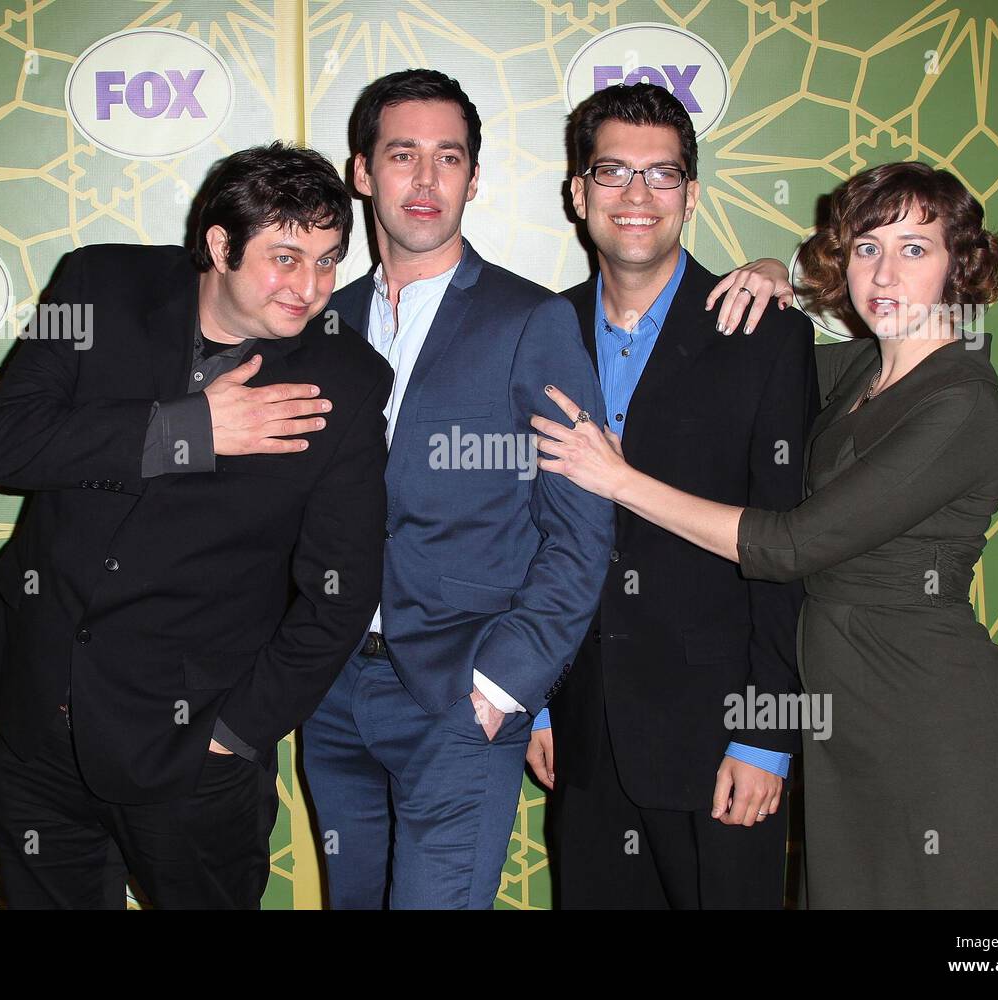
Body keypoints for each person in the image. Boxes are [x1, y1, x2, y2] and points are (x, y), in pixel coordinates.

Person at [533, 160, 998, 909]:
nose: (884, 272)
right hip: (843, 718)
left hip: (934, 720)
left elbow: (789, 547)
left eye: (916, 249)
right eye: (867, 247)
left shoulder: (960, 401)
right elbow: (739, 363)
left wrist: (618, 479)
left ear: (960, 265)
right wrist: (770, 273)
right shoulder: (863, 369)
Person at [0, 142, 393, 909]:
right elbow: (6, 444)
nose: (311, 287)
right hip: (35, 723)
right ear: (220, 244)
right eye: (286, 258)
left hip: (190, 757)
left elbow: (341, 593)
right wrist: (187, 430)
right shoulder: (95, 284)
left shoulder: (347, 381)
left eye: (328, 261)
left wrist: (235, 736)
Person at [300, 69, 614, 909]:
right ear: (363, 173)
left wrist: (506, 685)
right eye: (403, 155)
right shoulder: (322, 324)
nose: (427, 179)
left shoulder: (530, 321)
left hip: (456, 699)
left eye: (449, 158)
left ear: (474, 180)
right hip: (329, 694)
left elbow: (581, 528)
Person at [524, 83, 817, 909]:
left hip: (719, 739)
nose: (637, 196)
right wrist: (538, 699)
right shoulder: (540, 331)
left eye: (662, 174)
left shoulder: (765, 334)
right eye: (612, 172)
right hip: (581, 731)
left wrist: (765, 737)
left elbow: (789, 551)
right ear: (578, 195)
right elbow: (522, 532)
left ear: (691, 193)